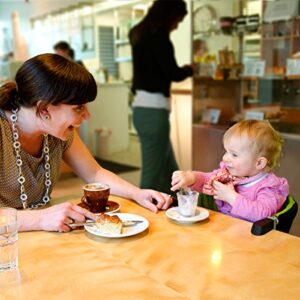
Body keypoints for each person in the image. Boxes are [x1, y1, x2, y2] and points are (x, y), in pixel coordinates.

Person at [0, 53, 173, 232]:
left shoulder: (56, 133)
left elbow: (95, 173)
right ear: (44, 108)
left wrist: (137, 193)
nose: (87, 116)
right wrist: (40, 219)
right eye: (79, 108)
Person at [129, 0, 193, 194]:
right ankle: (144, 215)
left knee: (169, 168)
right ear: (170, 15)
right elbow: (172, 72)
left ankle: (179, 204)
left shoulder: (138, 34)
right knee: (152, 173)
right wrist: (190, 69)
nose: (177, 25)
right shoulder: (160, 38)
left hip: (143, 108)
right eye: (179, 20)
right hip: (154, 112)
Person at [171, 120, 289, 222]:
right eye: (226, 151)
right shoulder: (228, 174)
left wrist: (231, 197)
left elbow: (263, 214)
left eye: (234, 155)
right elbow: (208, 179)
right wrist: (191, 177)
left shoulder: (268, 187)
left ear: (259, 163)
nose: (225, 158)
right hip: (226, 230)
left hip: (251, 241)